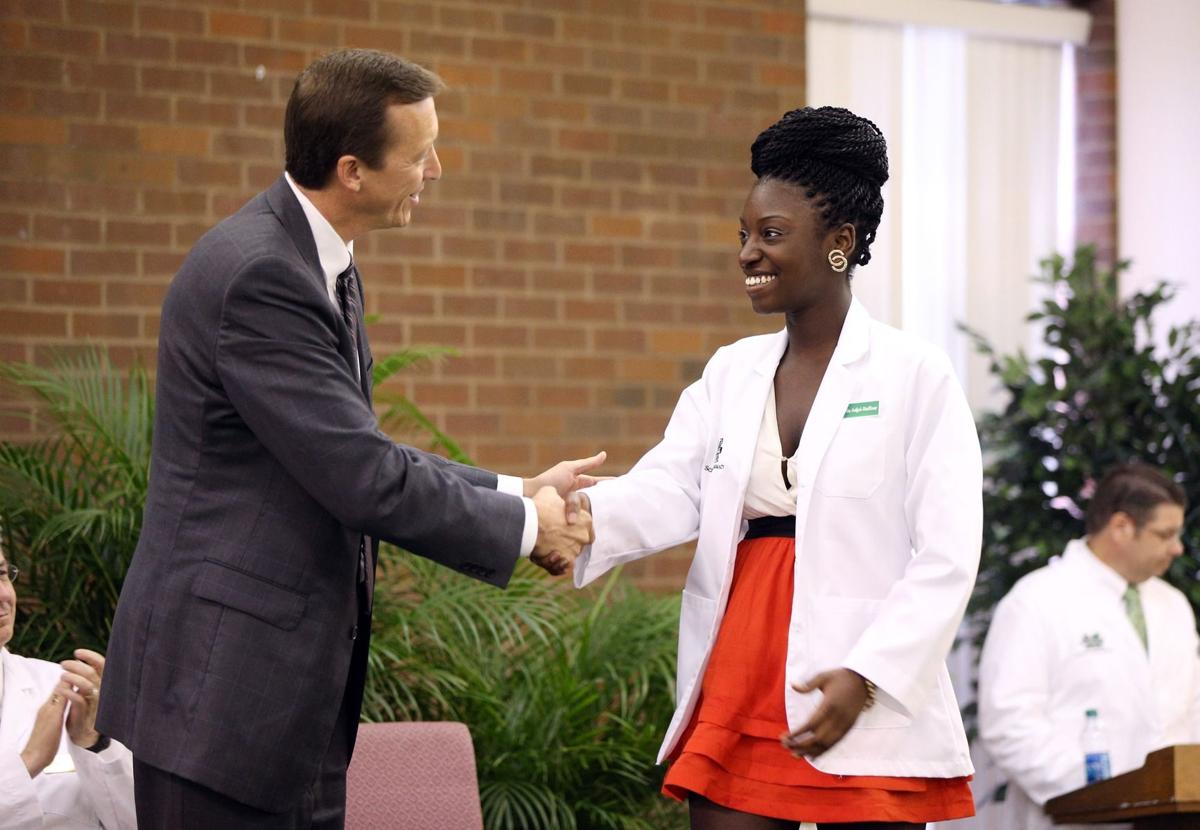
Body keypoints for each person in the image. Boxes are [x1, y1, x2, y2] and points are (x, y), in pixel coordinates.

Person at [95, 49, 597, 829]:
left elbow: (350, 449)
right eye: (421, 153)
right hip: (218, 704)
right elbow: (363, 477)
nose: (436, 170)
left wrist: (516, 488)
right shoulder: (262, 275)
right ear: (352, 171)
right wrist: (530, 527)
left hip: (279, 711)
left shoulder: (321, 264)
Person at [568, 106, 982, 828]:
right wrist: (566, 520)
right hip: (743, 663)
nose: (748, 254)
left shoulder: (915, 374)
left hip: (858, 674)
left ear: (839, 242)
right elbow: (670, 489)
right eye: (744, 235)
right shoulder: (730, 372)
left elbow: (948, 553)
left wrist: (870, 673)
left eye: (771, 234)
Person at [977, 463, 1199, 830]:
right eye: (1165, 535)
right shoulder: (1036, 601)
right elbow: (1009, 724)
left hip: (1176, 818)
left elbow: (1192, 711)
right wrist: (1101, 791)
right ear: (1121, 527)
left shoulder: (1173, 605)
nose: (1177, 549)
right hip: (1077, 817)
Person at [0, 546, 135, 829]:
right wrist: (29, 761)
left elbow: (136, 820)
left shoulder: (61, 686)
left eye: (1, 574)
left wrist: (96, 743)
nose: (3, 596)